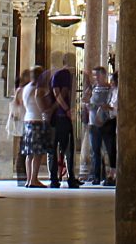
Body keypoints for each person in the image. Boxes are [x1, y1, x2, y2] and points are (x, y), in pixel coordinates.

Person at [49, 58, 81, 187]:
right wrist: (67, 109)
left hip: (58, 117)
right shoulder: (63, 75)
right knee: (66, 149)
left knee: (58, 149)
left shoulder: (58, 75)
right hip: (61, 117)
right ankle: (67, 178)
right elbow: (58, 94)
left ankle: (57, 179)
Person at [85, 67, 117, 185]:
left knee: (109, 149)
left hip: (107, 123)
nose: (96, 78)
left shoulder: (110, 89)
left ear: (104, 75)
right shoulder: (93, 88)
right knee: (95, 151)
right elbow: (87, 102)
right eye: (94, 75)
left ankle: (111, 175)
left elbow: (111, 104)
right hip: (93, 123)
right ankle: (96, 176)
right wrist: (87, 103)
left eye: (97, 75)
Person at [20, 66, 50, 188]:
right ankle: (34, 179)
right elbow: (42, 106)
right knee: (38, 153)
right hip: (37, 120)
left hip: (27, 119)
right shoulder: (38, 89)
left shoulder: (26, 88)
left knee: (29, 153)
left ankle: (29, 179)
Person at [8, 69, 31, 183]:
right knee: (22, 150)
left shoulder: (21, 89)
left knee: (23, 149)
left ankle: (23, 177)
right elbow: (22, 104)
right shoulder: (21, 90)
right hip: (23, 121)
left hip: (23, 121)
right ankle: (21, 177)